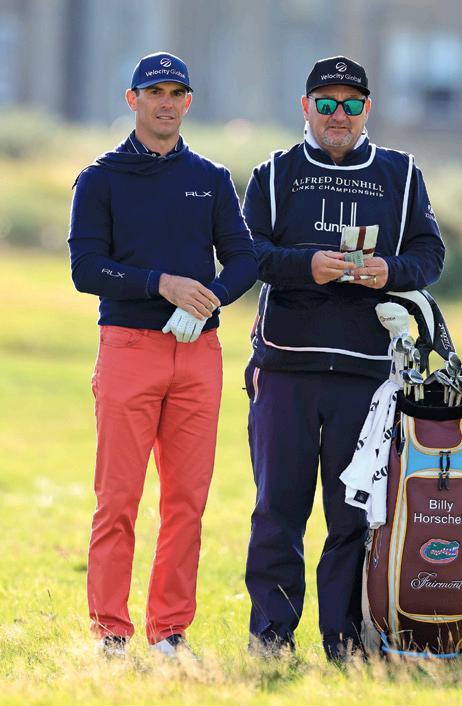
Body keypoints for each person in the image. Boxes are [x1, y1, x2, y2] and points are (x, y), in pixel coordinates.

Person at [242, 55, 445, 661]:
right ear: (305, 108)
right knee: (278, 509)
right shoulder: (273, 173)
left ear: (367, 110)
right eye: (326, 103)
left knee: (354, 515)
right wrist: (306, 264)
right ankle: (271, 638)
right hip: (285, 365)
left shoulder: (401, 173)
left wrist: (390, 272)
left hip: (367, 374)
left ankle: (345, 641)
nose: (339, 115)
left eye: (351, 104)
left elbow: (430, 255)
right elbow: (247, 253)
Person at [68, 51, 257, 658]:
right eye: (155, 92)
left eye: (177, 93)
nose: (166, 103)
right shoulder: (100, 178)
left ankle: (169, 632)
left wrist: (209, 297)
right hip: (128, 348)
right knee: (118, 498)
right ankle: (110, 631)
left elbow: (245, 258)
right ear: (133, 100)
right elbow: (85, 268)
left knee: (186, 503)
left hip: (198, 353)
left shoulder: (211, 177)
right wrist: (161, 284)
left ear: (188, 102)